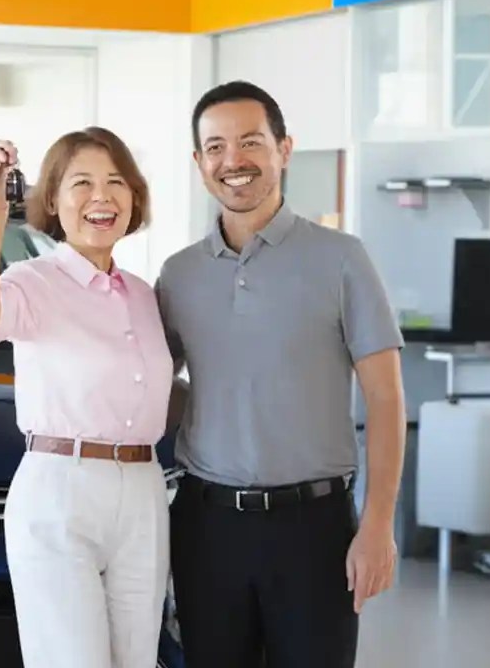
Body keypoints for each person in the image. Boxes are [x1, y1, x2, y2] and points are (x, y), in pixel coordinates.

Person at [155, 80, 408, 668]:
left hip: (315, 530)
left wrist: (377, 526)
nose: (233, 161)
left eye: (250, 142)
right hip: (205, 526)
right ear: (199, 163)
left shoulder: (343, 258)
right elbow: (148, 387)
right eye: (215, 147)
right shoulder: (178, 275)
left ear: (284, 149)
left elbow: (387, 400)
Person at [0, 128, 174, 668]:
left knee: (136, 662)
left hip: (144, 490)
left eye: (115, 182)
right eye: (83, 183)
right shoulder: (34, 280)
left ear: (134, 198)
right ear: (53, 200)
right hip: (61, 488)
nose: (102, 197)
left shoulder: (145, 295)